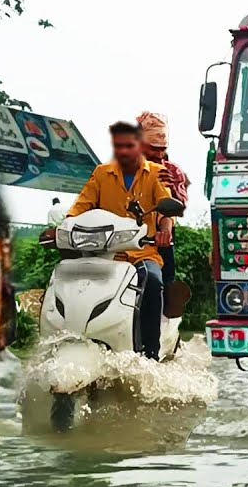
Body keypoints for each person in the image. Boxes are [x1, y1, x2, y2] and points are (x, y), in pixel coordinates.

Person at [68, 121, 176, 359]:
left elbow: (166, 212)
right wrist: (63, 227)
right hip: (105, 254)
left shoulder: (158, 174)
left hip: (143, 252)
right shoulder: (101, 174)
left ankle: (150, 353)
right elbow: (79, 208)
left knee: (153, 280)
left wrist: (165, 230)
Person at [137, 112, 191, 284]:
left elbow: (177, 207)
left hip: (160, 234)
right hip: (126, 232)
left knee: (163, 281)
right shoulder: (121, 169)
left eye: (163, 148)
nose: (159, 154)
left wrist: (175, 187)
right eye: (154, 148)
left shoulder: (171, 171)